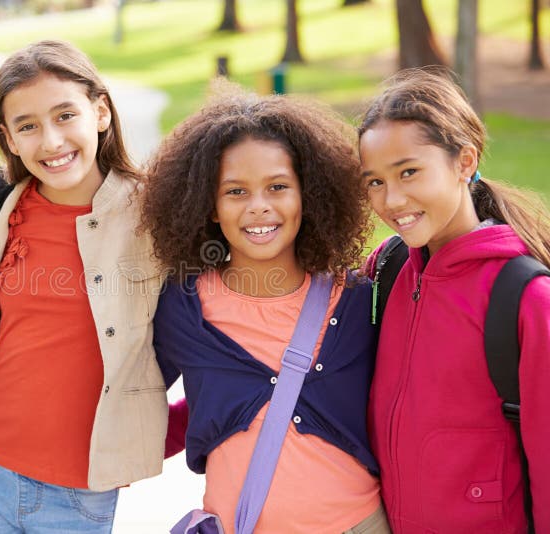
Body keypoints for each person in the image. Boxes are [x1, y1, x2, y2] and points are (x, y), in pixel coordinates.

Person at [142, 85, 390, 533]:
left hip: (359, 524)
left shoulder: (356, 300)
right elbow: (135, 406)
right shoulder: (184, 306)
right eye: (235, 191)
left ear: (307, 195)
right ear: (210, 207)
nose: (259, 207)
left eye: (278, 187)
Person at [0, 40, 167, 533]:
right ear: (8, 138)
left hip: (81, 488)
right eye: (27, 126)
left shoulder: (155, 214)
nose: (50, 141)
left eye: (65, 115)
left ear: (101, 112)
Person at [359, 68, 550, 533]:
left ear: (464, 162)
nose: (392, 199)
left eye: (408, 172)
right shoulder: (385, 270)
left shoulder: (525, 297)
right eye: (375, 182)